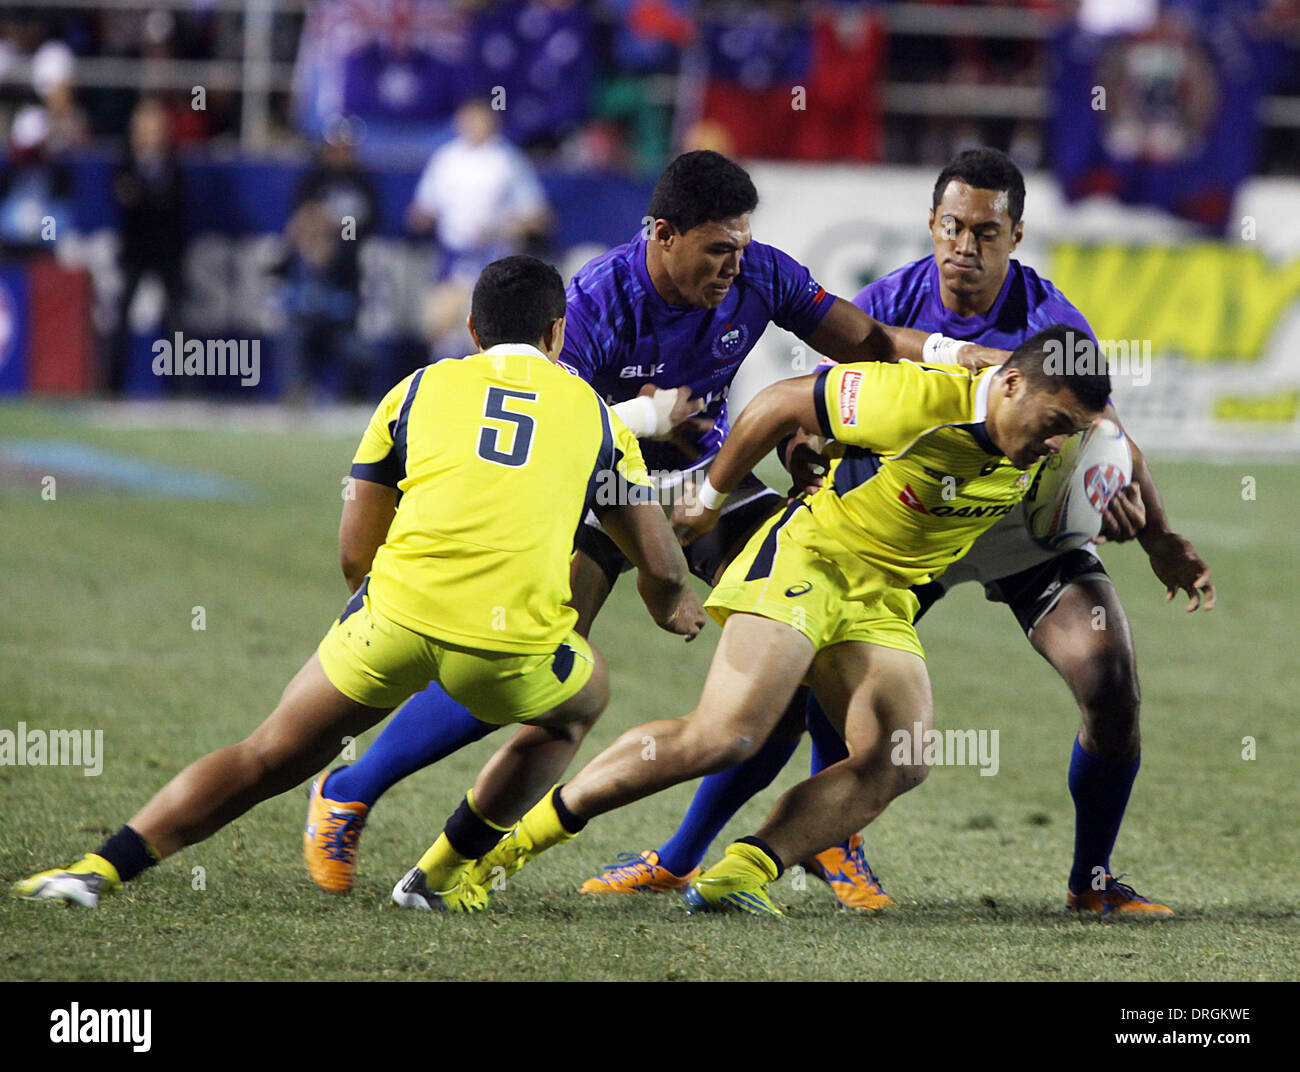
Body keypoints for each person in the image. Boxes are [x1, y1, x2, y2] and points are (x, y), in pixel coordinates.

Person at [302, 149, 1002, 898]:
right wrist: (646, 414)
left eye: (740, 247)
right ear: (664, 234)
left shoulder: (759, 272)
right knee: (527, 661)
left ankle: (688, 857)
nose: (734, 266)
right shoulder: (598, 299)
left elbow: (861, 340)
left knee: (794, 651)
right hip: (603, 486)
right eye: (717, 250)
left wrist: (955, 356)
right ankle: (350, 788)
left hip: (707, 476)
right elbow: (555, 428)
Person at [576, 147, 1215, 916]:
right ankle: (694, 856)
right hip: (909, 535)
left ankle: (1092, 882)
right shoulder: (891, 304)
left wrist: (1158, 536)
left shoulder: (1052, 326)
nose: (964, 246)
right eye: (952, 226)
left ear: (1015, 236)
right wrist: (803, 453)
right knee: (793, 696)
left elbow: (1108, 434)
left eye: (985, 231)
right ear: (932, 223)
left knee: (1109, 677)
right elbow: (803, 406)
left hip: (1025, 529)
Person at [11, 255, 705, 910]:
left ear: (470, 330)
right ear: (558, 333)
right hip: (510, 651)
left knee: (264, 754)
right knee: (582, 701)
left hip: (389, 619)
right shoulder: (589, 413)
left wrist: (383, 618)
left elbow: (354, 552)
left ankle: (96, 870)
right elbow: (662, 562)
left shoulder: (416, 389)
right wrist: (670, 604)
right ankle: (438, 873)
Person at [406, 324, 1113, 915]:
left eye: (1071, 434)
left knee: (900, 759)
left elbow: (1103, 446)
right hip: (808, 561)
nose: (1058, 444)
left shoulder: (1049, 438)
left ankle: (742, 872)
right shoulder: (915, 400)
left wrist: (1136, 509)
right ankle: (503, 847)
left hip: (883, 596)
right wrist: (711, 498)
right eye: (1055, 426)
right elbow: (779, 402)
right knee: (725, 737)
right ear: (1013, 386)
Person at [407, 99, 551, 362]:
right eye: (469, 119)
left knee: (487, 320)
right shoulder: (446, 158)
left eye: (480, 119)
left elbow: (538, 216)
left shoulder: (506, 160)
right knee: (438, 319)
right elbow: (421, 211)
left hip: (494, 254)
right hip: (453, 254)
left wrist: (502, 227)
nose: (475, 125)